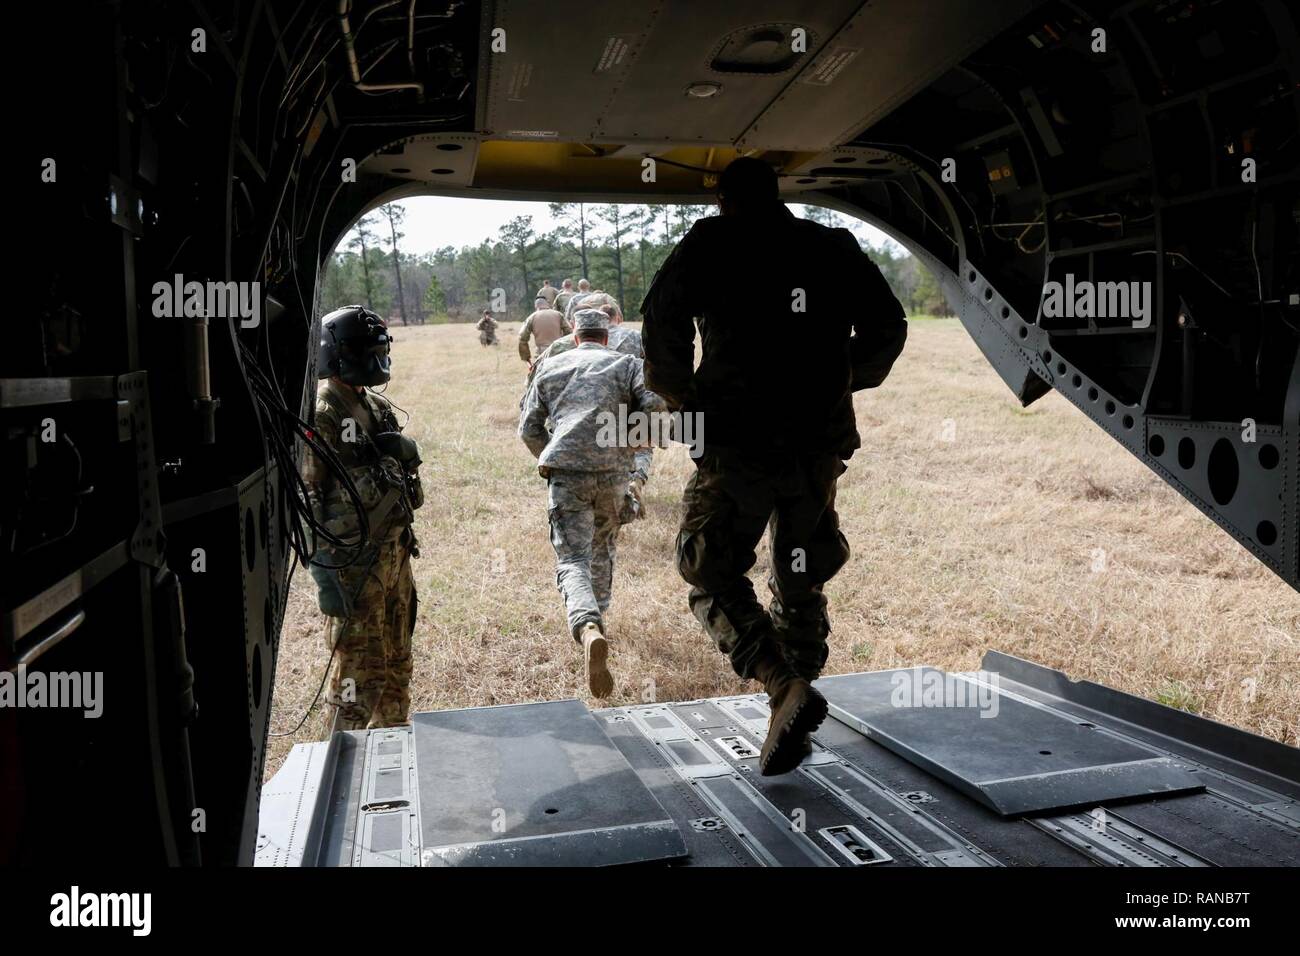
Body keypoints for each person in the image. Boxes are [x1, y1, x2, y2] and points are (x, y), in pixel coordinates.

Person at [640, 157, 908, 776]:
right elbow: (887, 326)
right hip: (815, 442)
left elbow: (662, 321)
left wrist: (686, 398)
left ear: (725, 199)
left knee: (708, 568)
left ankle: (779, 681)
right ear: (777, 191)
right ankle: (794, 702)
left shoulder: (714, 243)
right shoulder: (831, 246)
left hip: (737, 439)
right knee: (801, 568)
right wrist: (839, 380)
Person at [518, 308, 666, 698]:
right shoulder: (627, 364)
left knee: (572, 560)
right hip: (614, 474)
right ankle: (600, 620)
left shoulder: (551, 364)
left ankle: (587, 627)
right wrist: (633, 442)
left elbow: (527, 427)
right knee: (603, 548)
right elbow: (656, 405)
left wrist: (548, 455)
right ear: (607, 335)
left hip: (568, 475)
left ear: (573, 333)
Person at [303, 305, 425, 732]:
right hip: (354, 568)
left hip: (393, 557)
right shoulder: (322, 414)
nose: (378, 361)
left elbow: (407, 485)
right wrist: (324, 578)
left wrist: (407, 454)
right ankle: (338, 770)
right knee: (357, 682)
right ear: (338, 355)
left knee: (396, 669)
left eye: (380, 350)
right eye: (368, 351)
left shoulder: (373, 405)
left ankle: (390, 753)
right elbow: (308, 502)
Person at [518, 296, 571, 364]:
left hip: (541, 354)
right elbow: (569, 332)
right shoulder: (558, 314)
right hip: (558, 351)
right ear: (547, 304)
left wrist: (526, 357)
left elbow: (522, 337)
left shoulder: (532, 317)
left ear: (536, 306)